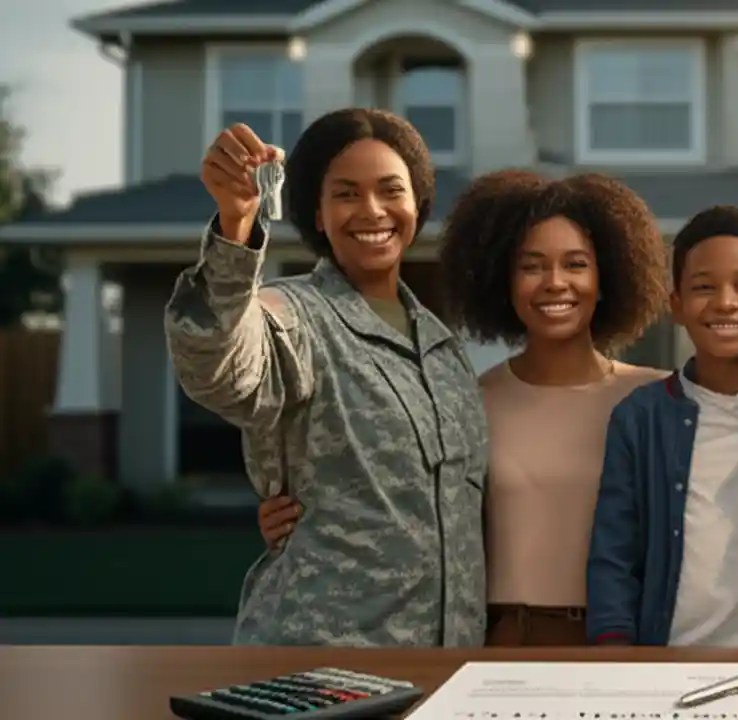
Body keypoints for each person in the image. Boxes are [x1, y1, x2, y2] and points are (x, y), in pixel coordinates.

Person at [256, 168, 670, 646]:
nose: (555, 282)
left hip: (625, 640)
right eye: (531, 266)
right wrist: (304, 515)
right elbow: (397, 498)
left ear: (606, 278)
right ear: (503, 280)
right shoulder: (465, 402)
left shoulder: (654, 402)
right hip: (501, 642)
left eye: (576, 264)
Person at [164, 109, 489, 647]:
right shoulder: (295, 316)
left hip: (441, 673)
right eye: (346, 194)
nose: (372, 210)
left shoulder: (443, 348)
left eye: (391, 190)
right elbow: (220, 366)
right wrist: (235, 224)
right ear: (316, 213)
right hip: (319, 667)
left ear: (417, 204)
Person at [586, 205, 738, 647]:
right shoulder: (639, 419)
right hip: (665, 662)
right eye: (703, 287)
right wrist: (614, 655)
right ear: (676, 305)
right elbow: (614, 555)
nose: (726, 302)